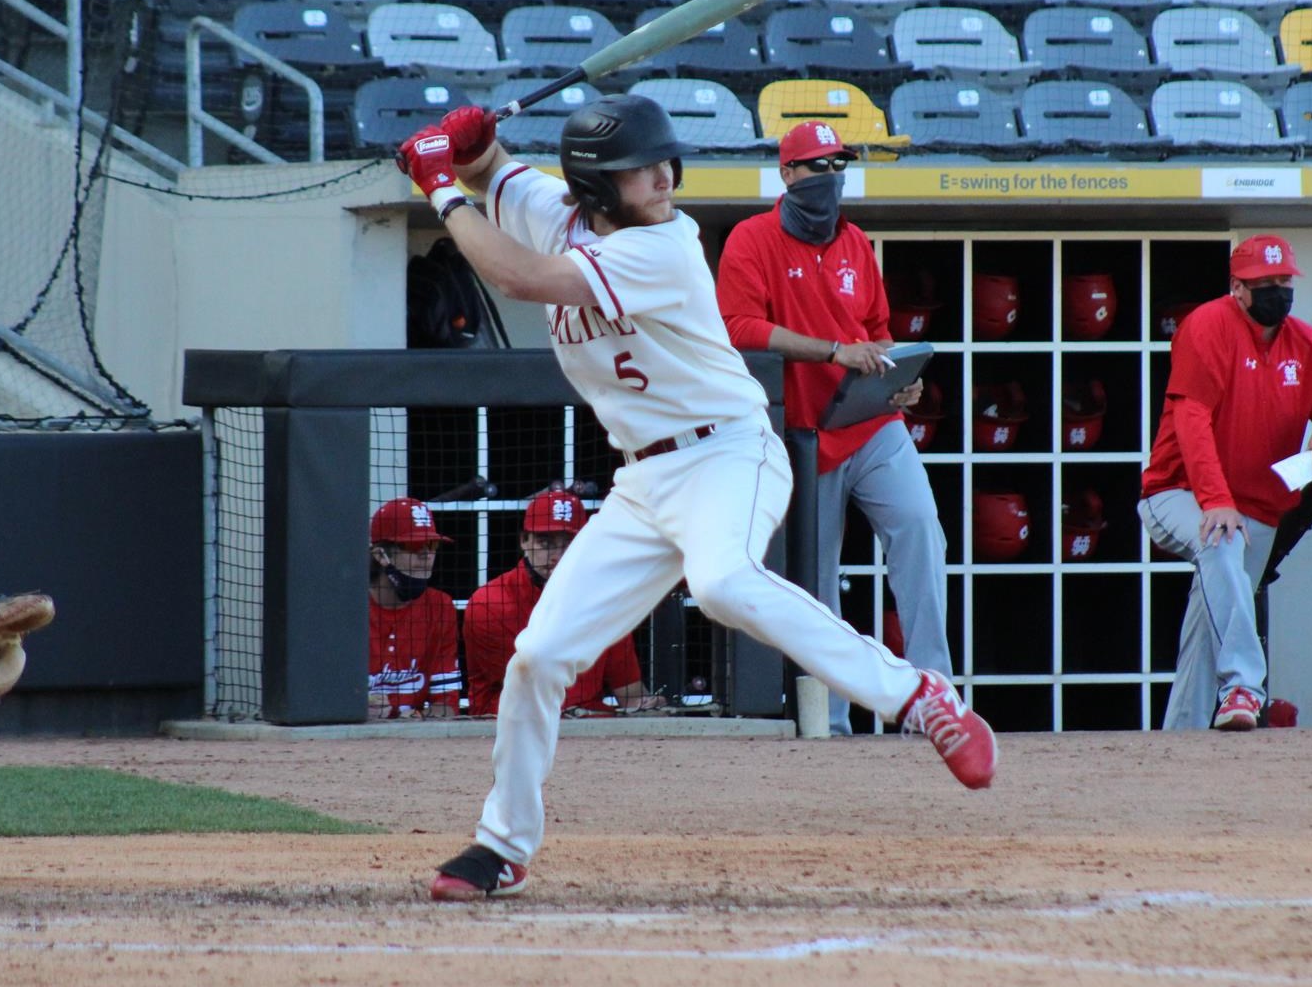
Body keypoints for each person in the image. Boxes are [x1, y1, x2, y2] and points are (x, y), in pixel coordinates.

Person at [393, 93, 998, 900]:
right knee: (538, 657)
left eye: (664, 160)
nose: (665, 176)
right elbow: (492, 172)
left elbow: (520, 275)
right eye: (643, 167)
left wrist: (442, 187)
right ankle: (502, 845)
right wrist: (471, 145)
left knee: (720, 582)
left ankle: (920, 696)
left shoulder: (668, 246)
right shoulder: (554, 208)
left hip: (729, 451)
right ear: (598, 186)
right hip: (643, 480)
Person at [716, 121, 953, 737]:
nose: (830, 178)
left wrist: (900, 375)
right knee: (816, 586)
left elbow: (877, 330)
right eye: (818, 167)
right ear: (788, 175)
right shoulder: (752, 239)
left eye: (838, 166)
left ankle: (933, 696)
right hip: (802, 434)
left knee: (923, 535)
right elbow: (736, 326)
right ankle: (832, 721)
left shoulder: (855, 243)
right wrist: (831, 351)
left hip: (871, 421)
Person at [1138, 236, 1312, 732]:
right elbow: (1192, 419)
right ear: (1238, 287)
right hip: (1176, 493)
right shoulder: (1207, 325)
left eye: (1284, 281)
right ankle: (1244, 683)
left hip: (1261, 509)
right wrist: (1216, 501)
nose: (1278, 291)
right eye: (1266, 283)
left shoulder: (1306, 342)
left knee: (1208, 628)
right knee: (1219, 547)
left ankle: (1179, 740)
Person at [463, 490, 658, 717]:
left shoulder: (605, 600)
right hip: (510, 726)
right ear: (524, 541)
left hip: (589, 730)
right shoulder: (489, 604)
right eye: (545, 543)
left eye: (568, 544)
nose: (557, 556)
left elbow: (630, 695)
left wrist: (648, 707)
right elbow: (528, 693)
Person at [367, 497, 461, 720]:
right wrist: (352, 712)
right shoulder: (345, 610)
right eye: (414, 546)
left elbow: (447, 705)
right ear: (381, 555)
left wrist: (420, 719)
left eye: (432, 545)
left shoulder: (440, 607)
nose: (427, 556)